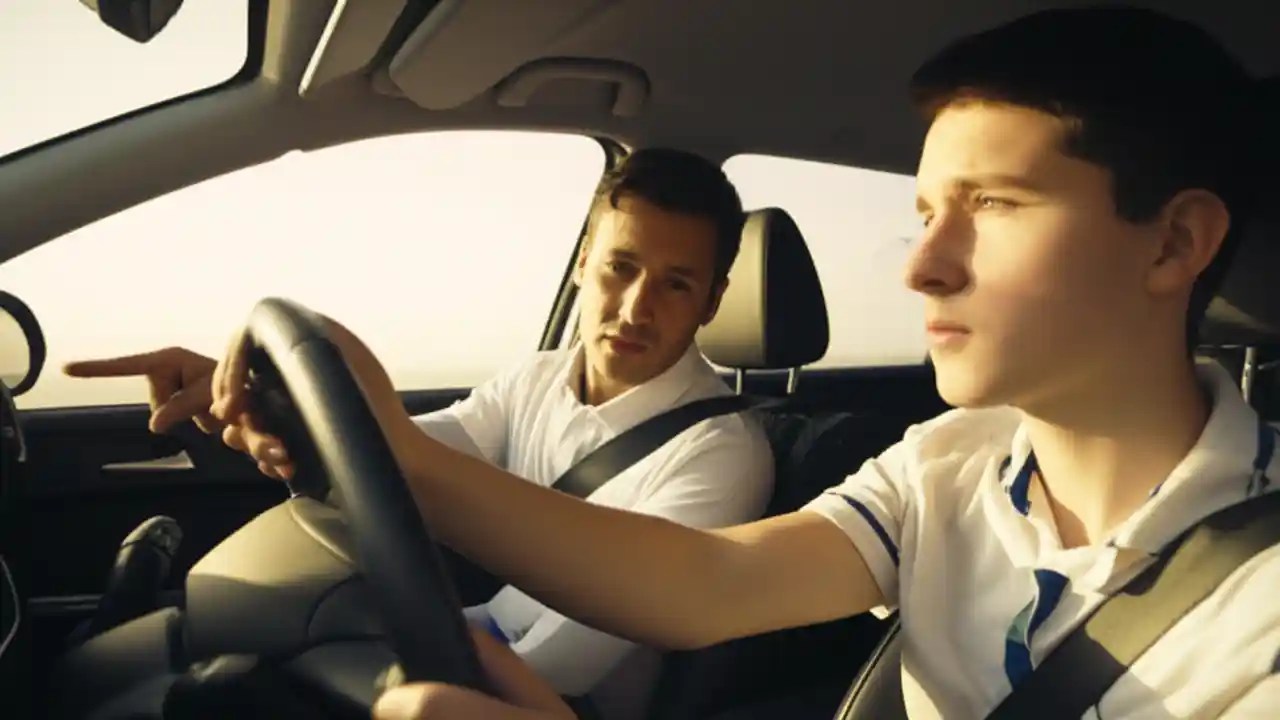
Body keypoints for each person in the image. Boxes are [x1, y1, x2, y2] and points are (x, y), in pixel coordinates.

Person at [153, 6, 1280, 718]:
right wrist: (370, 434)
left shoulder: (1257, 596)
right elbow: (706, 586)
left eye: (991, 206)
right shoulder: (950, 464)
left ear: (1172, 242)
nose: (920, 266)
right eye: (924, 210)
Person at [64, 148, 776, 719]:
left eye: (676, 284)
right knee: (214, 680)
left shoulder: (721, 454)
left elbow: (570, 663)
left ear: (712, 301)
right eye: (621, 267)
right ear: (585, 261)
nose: (635, 309)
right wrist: (261, 399)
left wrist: (381, 646)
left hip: (558, 703)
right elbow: (409, 448)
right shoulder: (538, 378)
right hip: (476, 639)